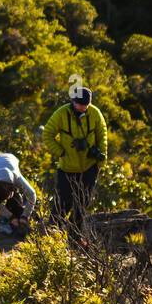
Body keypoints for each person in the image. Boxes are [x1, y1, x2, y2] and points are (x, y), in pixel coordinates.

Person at [41, 85, 107, 231]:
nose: (83, 107)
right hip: (67, 168)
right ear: (73, 101)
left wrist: (101, 159)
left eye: (86, 105)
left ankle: (74, 236)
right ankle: (51, 233)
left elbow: (102, 135)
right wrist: (61, 152)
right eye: (80, 104)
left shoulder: (95, 113)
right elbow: (47, 134)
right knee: (63, 203)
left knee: (82, 204)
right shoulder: (62, 113)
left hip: (89, 167)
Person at [0, 153, 37, 239]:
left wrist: (25, 216)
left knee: (15, 199)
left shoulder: (16, 177)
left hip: (10, 159)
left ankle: (15, 211)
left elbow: (32, 194)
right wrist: (10, 217)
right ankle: (2, 219)